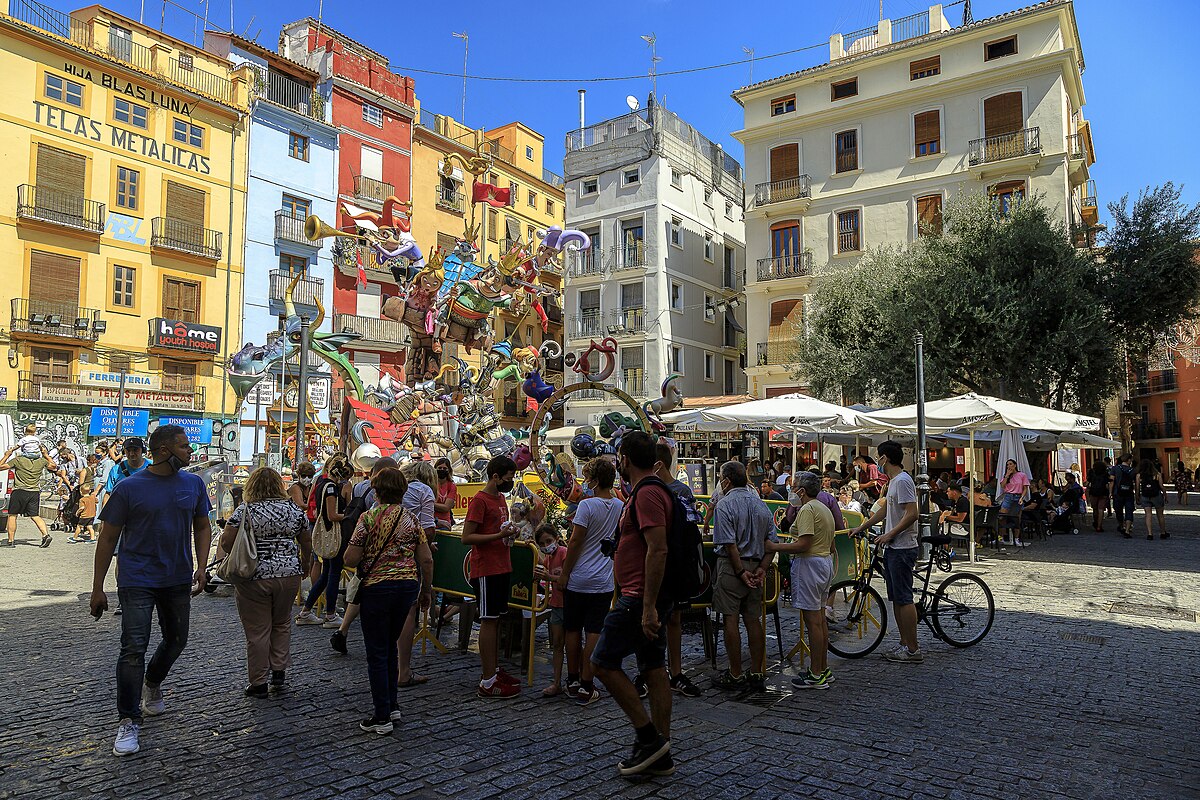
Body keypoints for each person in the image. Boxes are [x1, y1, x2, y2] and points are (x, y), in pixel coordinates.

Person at [90, 425, 212, 757]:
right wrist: (98, 587)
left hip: (176, 577)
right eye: (184, 447)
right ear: (162, 450)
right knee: (133, 647)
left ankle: (153, 682)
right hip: (136, 579)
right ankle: (128, 719)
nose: (190, 452)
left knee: (178, 638)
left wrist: (202, 566)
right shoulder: (129, 488)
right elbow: (107, 538)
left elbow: (203, 526)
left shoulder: (194, 484)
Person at [591, 430, 675, 778]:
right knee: (653, 669)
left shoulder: (647, 494)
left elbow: (658, 548)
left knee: (602, 663)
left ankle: (649, 739)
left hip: (639, 597)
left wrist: (648, 607)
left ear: (624, 459)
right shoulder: (648, 491)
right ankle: (661, 753)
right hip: (645, 596)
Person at [344, 467, 434, 734]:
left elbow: (350, 558)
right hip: (406, 586)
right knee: (391, 646)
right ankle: (392, 705)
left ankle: (381, 715)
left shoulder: (368, 518)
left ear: (376, 490)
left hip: (377, 587)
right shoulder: (411, 519)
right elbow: (426, 559)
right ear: (403, 491)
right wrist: (426, 590)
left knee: (376, 651)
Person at [219, 467, 311, 697]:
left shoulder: (245, 510)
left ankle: (258, 682)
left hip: (254, 575)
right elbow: (306, 541)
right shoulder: (293, 509)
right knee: (281, 623)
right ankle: (279, 672)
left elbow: (226, 541)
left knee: (258, 630)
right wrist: (305, 564)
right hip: (289, 574)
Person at [557, 457, 622, 706]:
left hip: (579, 577)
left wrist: (564, 573)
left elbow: (575, 542)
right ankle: (587, 682)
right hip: (603, 579)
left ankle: (573, 679)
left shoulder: (586, 506)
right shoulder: (618, 505)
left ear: (594, 480)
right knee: (594, 630)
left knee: (572, 629)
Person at [851, 441, 921, 664]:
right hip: (893, 547)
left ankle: (913, 649)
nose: (877, 462)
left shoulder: (902, 481)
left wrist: (890, 534)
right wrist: (862, 526)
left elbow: (912, 513)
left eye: (879, 457)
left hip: (902, 547)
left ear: (886, 458)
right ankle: (904, 643)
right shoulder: (893, 482)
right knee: (897, 599)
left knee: (904, 598)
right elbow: (885, 510)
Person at [710, 461, 776, 692]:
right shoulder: (761, 506)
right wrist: (761, 569)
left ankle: (736, 673)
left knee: (731, 619)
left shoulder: (725, 505)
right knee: (753, 620)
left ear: (726, 481)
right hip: (757, 566)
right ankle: (757, 671)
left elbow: (729, 545)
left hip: (732, 568)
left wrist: (740, 572)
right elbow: (771, 544)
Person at [769, 470, 836, 689]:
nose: (791, 490)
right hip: (824, 562)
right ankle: (822, 668)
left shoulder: (807, 509)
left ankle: (816, 673)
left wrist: (775, 547)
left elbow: (803, 544)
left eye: (794, 486)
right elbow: (831, 543)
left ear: (802, 490)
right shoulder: (824, 508)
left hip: (810, 563)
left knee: (813, 622)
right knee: (820, 619)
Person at [461, 455, 520, 699]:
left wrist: (509, 533)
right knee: (487, 619)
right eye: (507, 478)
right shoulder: (480, 500)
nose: (510, 482)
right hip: (486, 568)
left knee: (496, 620)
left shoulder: (501, 498)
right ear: (495, 476)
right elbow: (467, 537)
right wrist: (497, 537)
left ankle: (494, 670)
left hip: (502, 565)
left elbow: (499, 529)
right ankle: (487, 679)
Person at [332, 457, 398, 654]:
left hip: (363, 550)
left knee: (359, 586)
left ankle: (343, 630)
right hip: (382, 554)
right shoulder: (394, 507)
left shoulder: (359, 487)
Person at [296, 453, 354, 627]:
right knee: (333, 574)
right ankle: (330, 614)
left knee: (327, 574)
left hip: (327, 533)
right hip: (332, 534)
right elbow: (332, 515)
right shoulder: (330, 488)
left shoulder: (321, 483)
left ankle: (306, 612)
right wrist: (349, 516)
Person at [395, 459, 438, 686]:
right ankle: (403, 670)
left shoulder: (395, 487)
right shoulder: (424, 491)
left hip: (379, 561)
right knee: (408, 612)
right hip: (407, 559)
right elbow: (428, 529)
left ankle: (385, 666)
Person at [0, 443, 59, 547]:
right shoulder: (42, 461)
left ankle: (11, 540)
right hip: (34, 492)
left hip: (19, 491)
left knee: (12, 515)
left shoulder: (18, 460)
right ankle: (46, 535)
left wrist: (7, 454)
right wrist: (45, 455)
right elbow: (54, 466)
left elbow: (0, 467)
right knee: (35, 515)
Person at [534, 524, 568, 697]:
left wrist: (549, 577)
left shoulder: (563, 553)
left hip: (569, 606)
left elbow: (567, 579)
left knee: (571, 644)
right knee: (557, 644)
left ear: (556, 538)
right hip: (556, 605)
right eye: (542, 543)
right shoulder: (549, 557)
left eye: (548, 541)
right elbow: (543, 566)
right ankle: (556, 682)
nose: (546, 545)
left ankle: (575, 679)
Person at [998, 459, 1031, 548]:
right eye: (1007, 465)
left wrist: (1022, 497)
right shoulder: (1006, 475)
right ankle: (1001, 537)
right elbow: (1002, 485)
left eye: (1011, 464)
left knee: (1017, 518)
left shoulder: (1022, 475)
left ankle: (1016, 538)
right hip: (1008, 496)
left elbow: (1025, 488)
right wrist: (1007, 476)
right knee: (1002, 517)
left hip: (1018, 496)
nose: (1009, 466)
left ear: (1015, 465)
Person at [1136, 459, 1168, 541]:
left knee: (1148, 514)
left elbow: (1137, 488)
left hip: (1145, 496)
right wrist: (1165, 495)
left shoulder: (1139, 475)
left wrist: (1137, 497)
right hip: (1156, 495)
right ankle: (1163, 532)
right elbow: (1161, 486)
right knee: (1160, 515)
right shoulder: (1157, 474)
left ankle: (1150, 534)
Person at [1112, 454, 1137, 539]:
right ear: (1129, 460)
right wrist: (1137, 495)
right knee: (1129, 511)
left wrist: (1110, 492)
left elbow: (1111, 481)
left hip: (1117, 492)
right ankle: (1127, 530)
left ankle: (1121, 524)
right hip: (1129, 493)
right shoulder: (1132, 470)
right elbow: (1136, 483)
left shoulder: (1115, 468)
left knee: (1118, 510)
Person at [1086, 458, 1111, 532]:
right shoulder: (1105, 473)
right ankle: (1099, 526)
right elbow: (1107, 484)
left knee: (1095, 509)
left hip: (1093, 492)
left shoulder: (1092, 473)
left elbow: (1088, 482)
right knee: (1101, 510)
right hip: (1103, 492)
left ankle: (1096, 522)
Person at [433, 457, 457, 531]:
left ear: (449, 470)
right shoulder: (430, 483)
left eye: (444, 468)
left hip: (445, 524)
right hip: (431, 522)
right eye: (439, 468)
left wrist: (430, 504)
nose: (442, 470)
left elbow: (446, 507)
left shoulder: (451, 486)